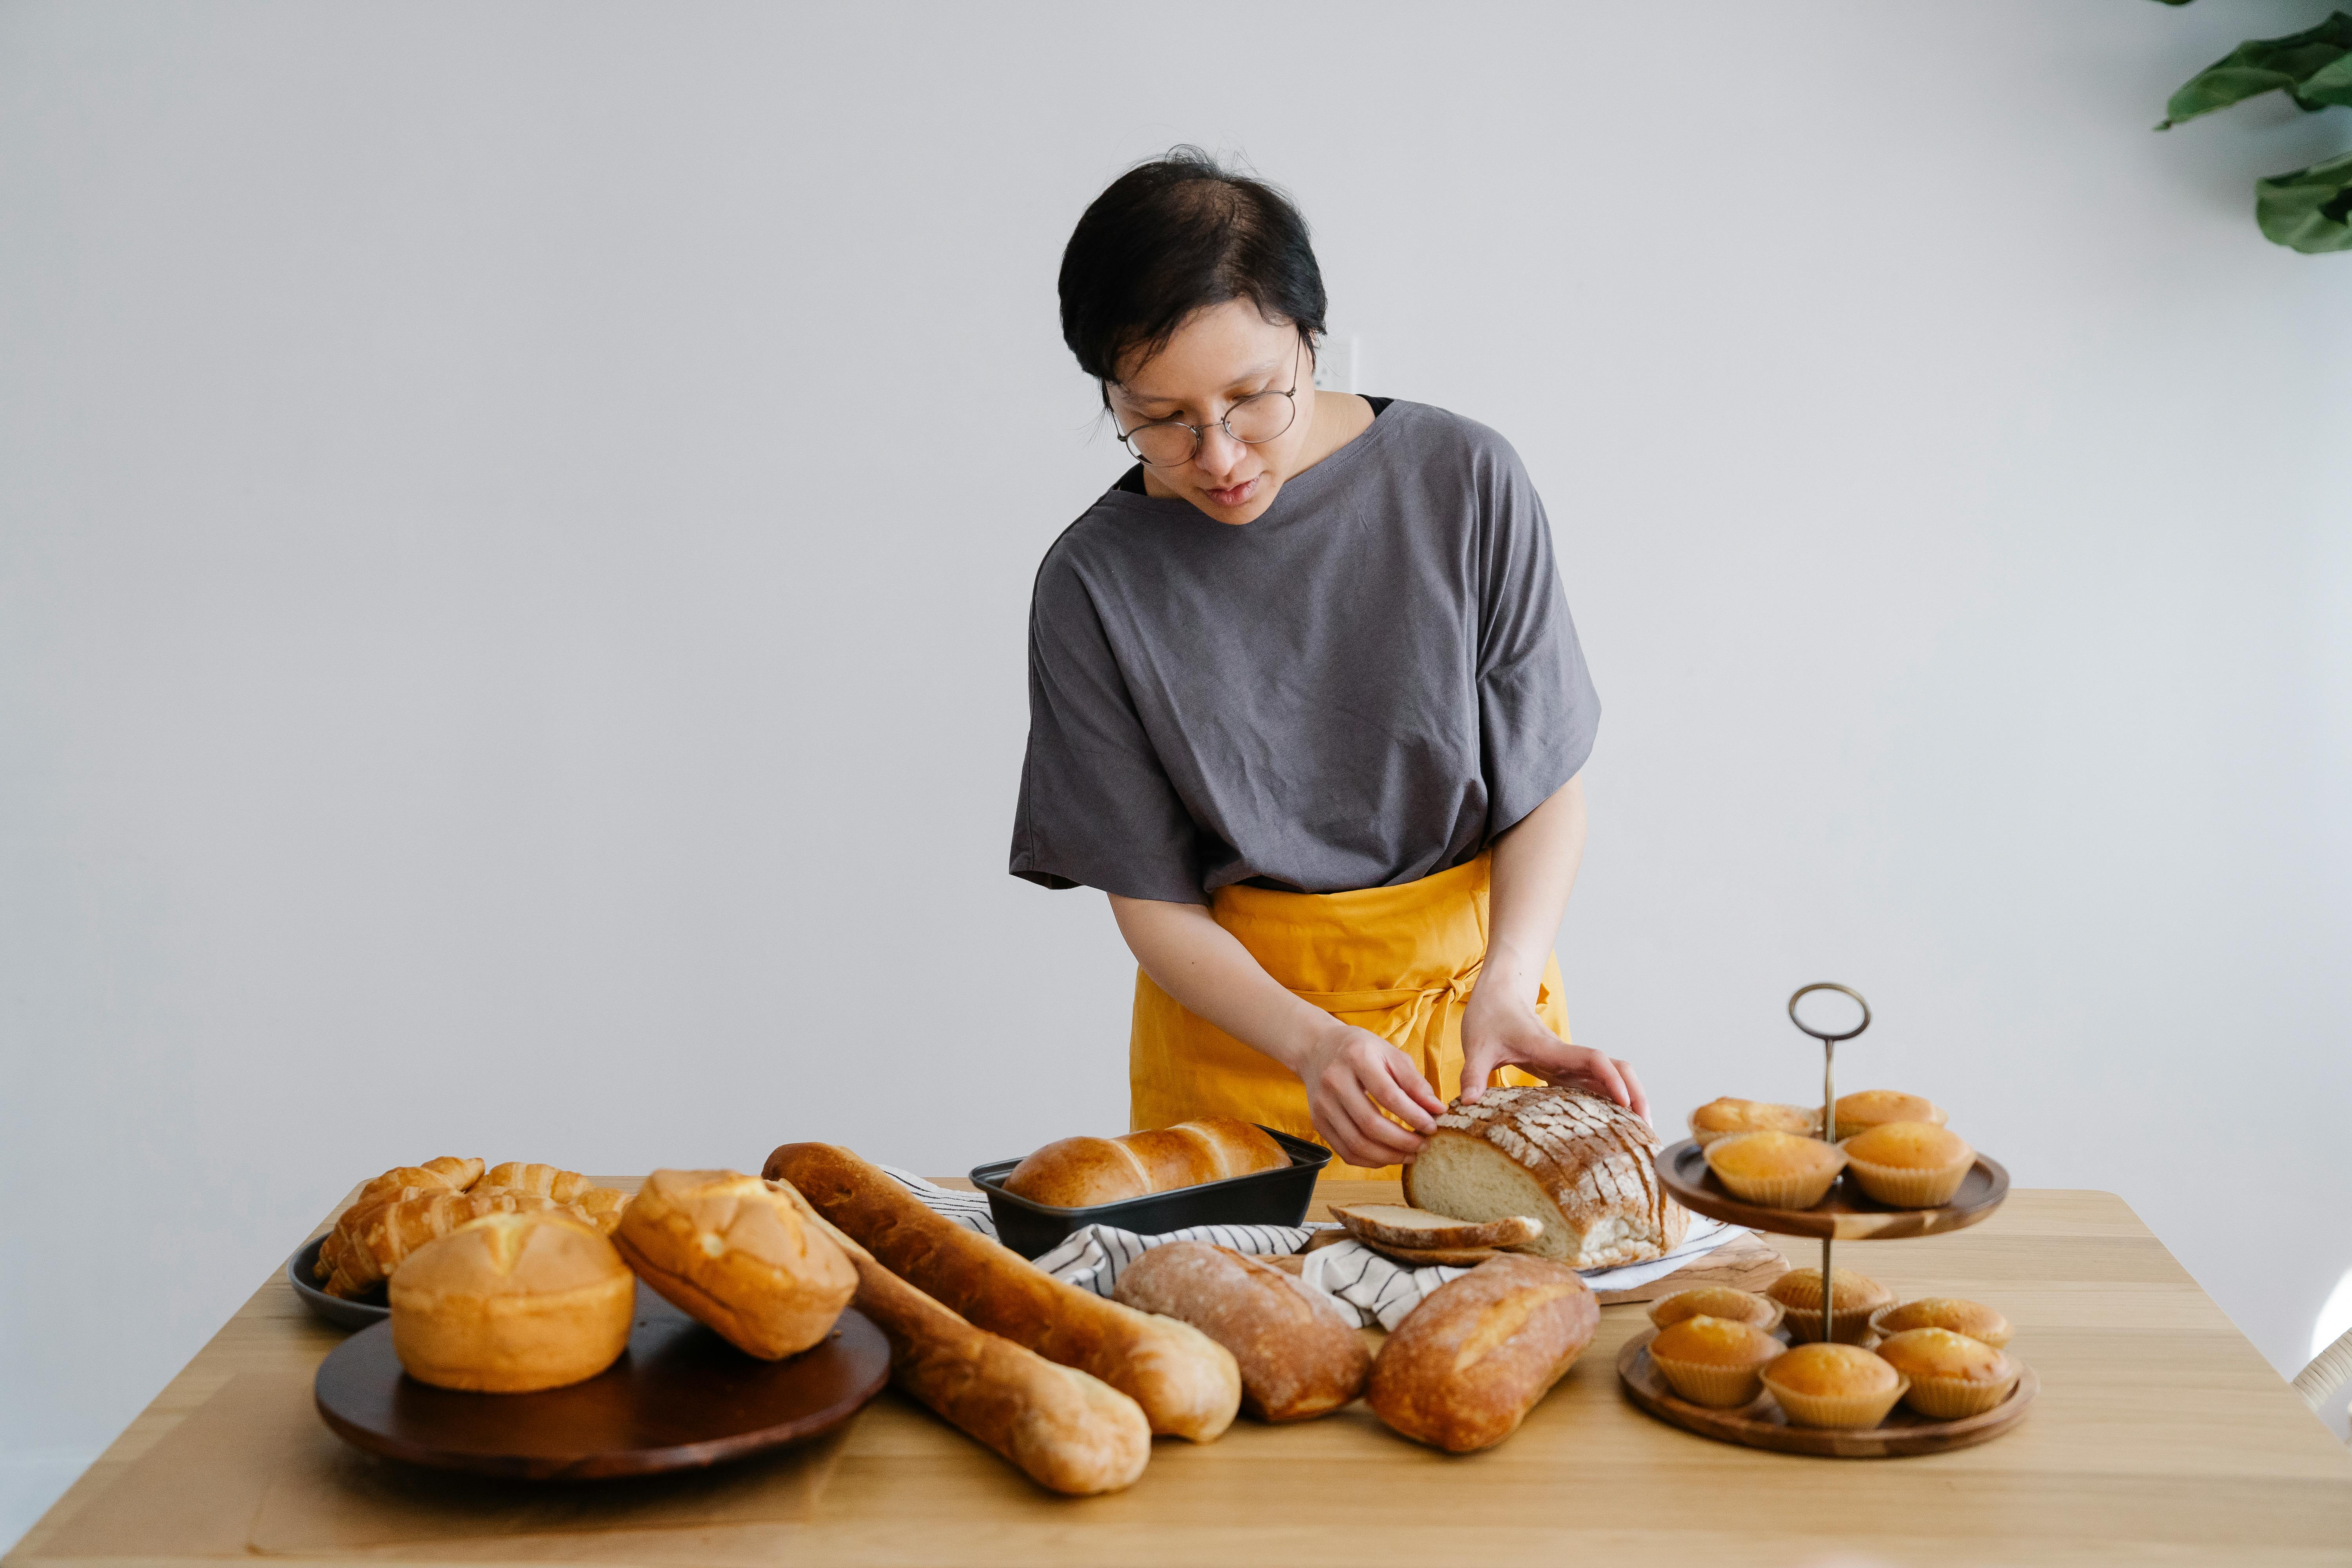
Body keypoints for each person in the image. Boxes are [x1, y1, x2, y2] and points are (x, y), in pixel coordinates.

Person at [1009, 148, 1646, 1178]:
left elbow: (1546, 789)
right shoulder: (1092, 583)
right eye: (1161, 420)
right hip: (1239, 1056)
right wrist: (1310, 1042)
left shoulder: (1466, 480)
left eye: (1253, 397)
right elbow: (1154, 902)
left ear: (1313, 340)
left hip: (1483, 1031)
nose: (1218, 456)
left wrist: (1509, 986)